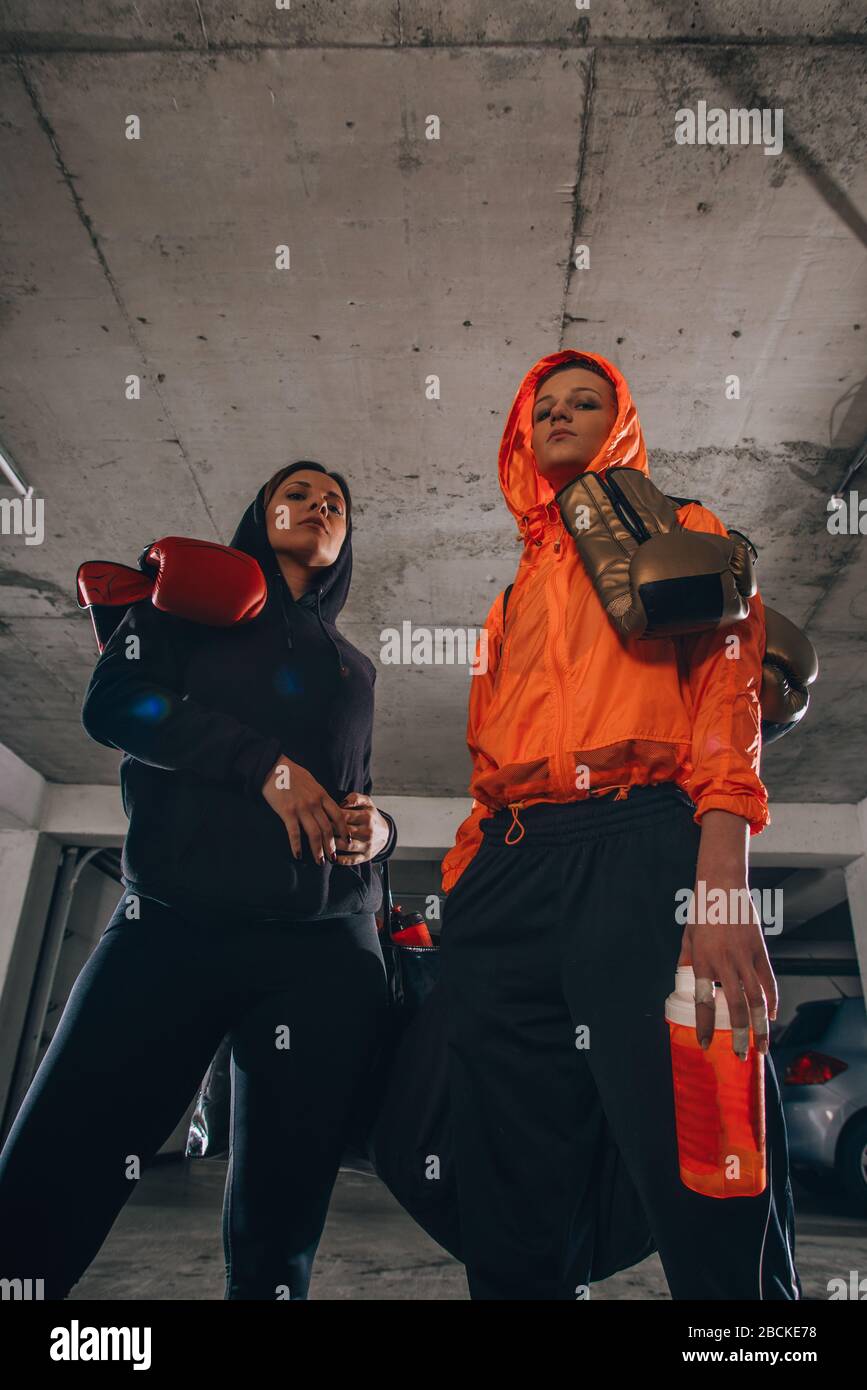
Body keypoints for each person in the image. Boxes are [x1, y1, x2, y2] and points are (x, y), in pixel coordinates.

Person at [438, 349, 802, 1301]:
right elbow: (486, 761)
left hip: (645, 854)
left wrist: (717, 887)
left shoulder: (684, 532)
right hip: (511, 880)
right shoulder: (507, 599)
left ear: (621, 422)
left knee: (710, 1177)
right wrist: (465, 886)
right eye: (541, 408)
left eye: (583, 402)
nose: (558, 415)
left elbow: (728, 709)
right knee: (511, 1198)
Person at [0, 461, 397, 1301]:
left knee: (281, 1228)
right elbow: (115, 708)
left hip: (324, 951)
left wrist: (380, 831)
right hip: (176, 927)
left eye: (335, 503)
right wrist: (263, 767)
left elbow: (354, 786)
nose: (318, 506)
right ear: (258, 516)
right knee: (52, 1172)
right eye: (296, 493)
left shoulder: (356, 667)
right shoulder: (181, 609)